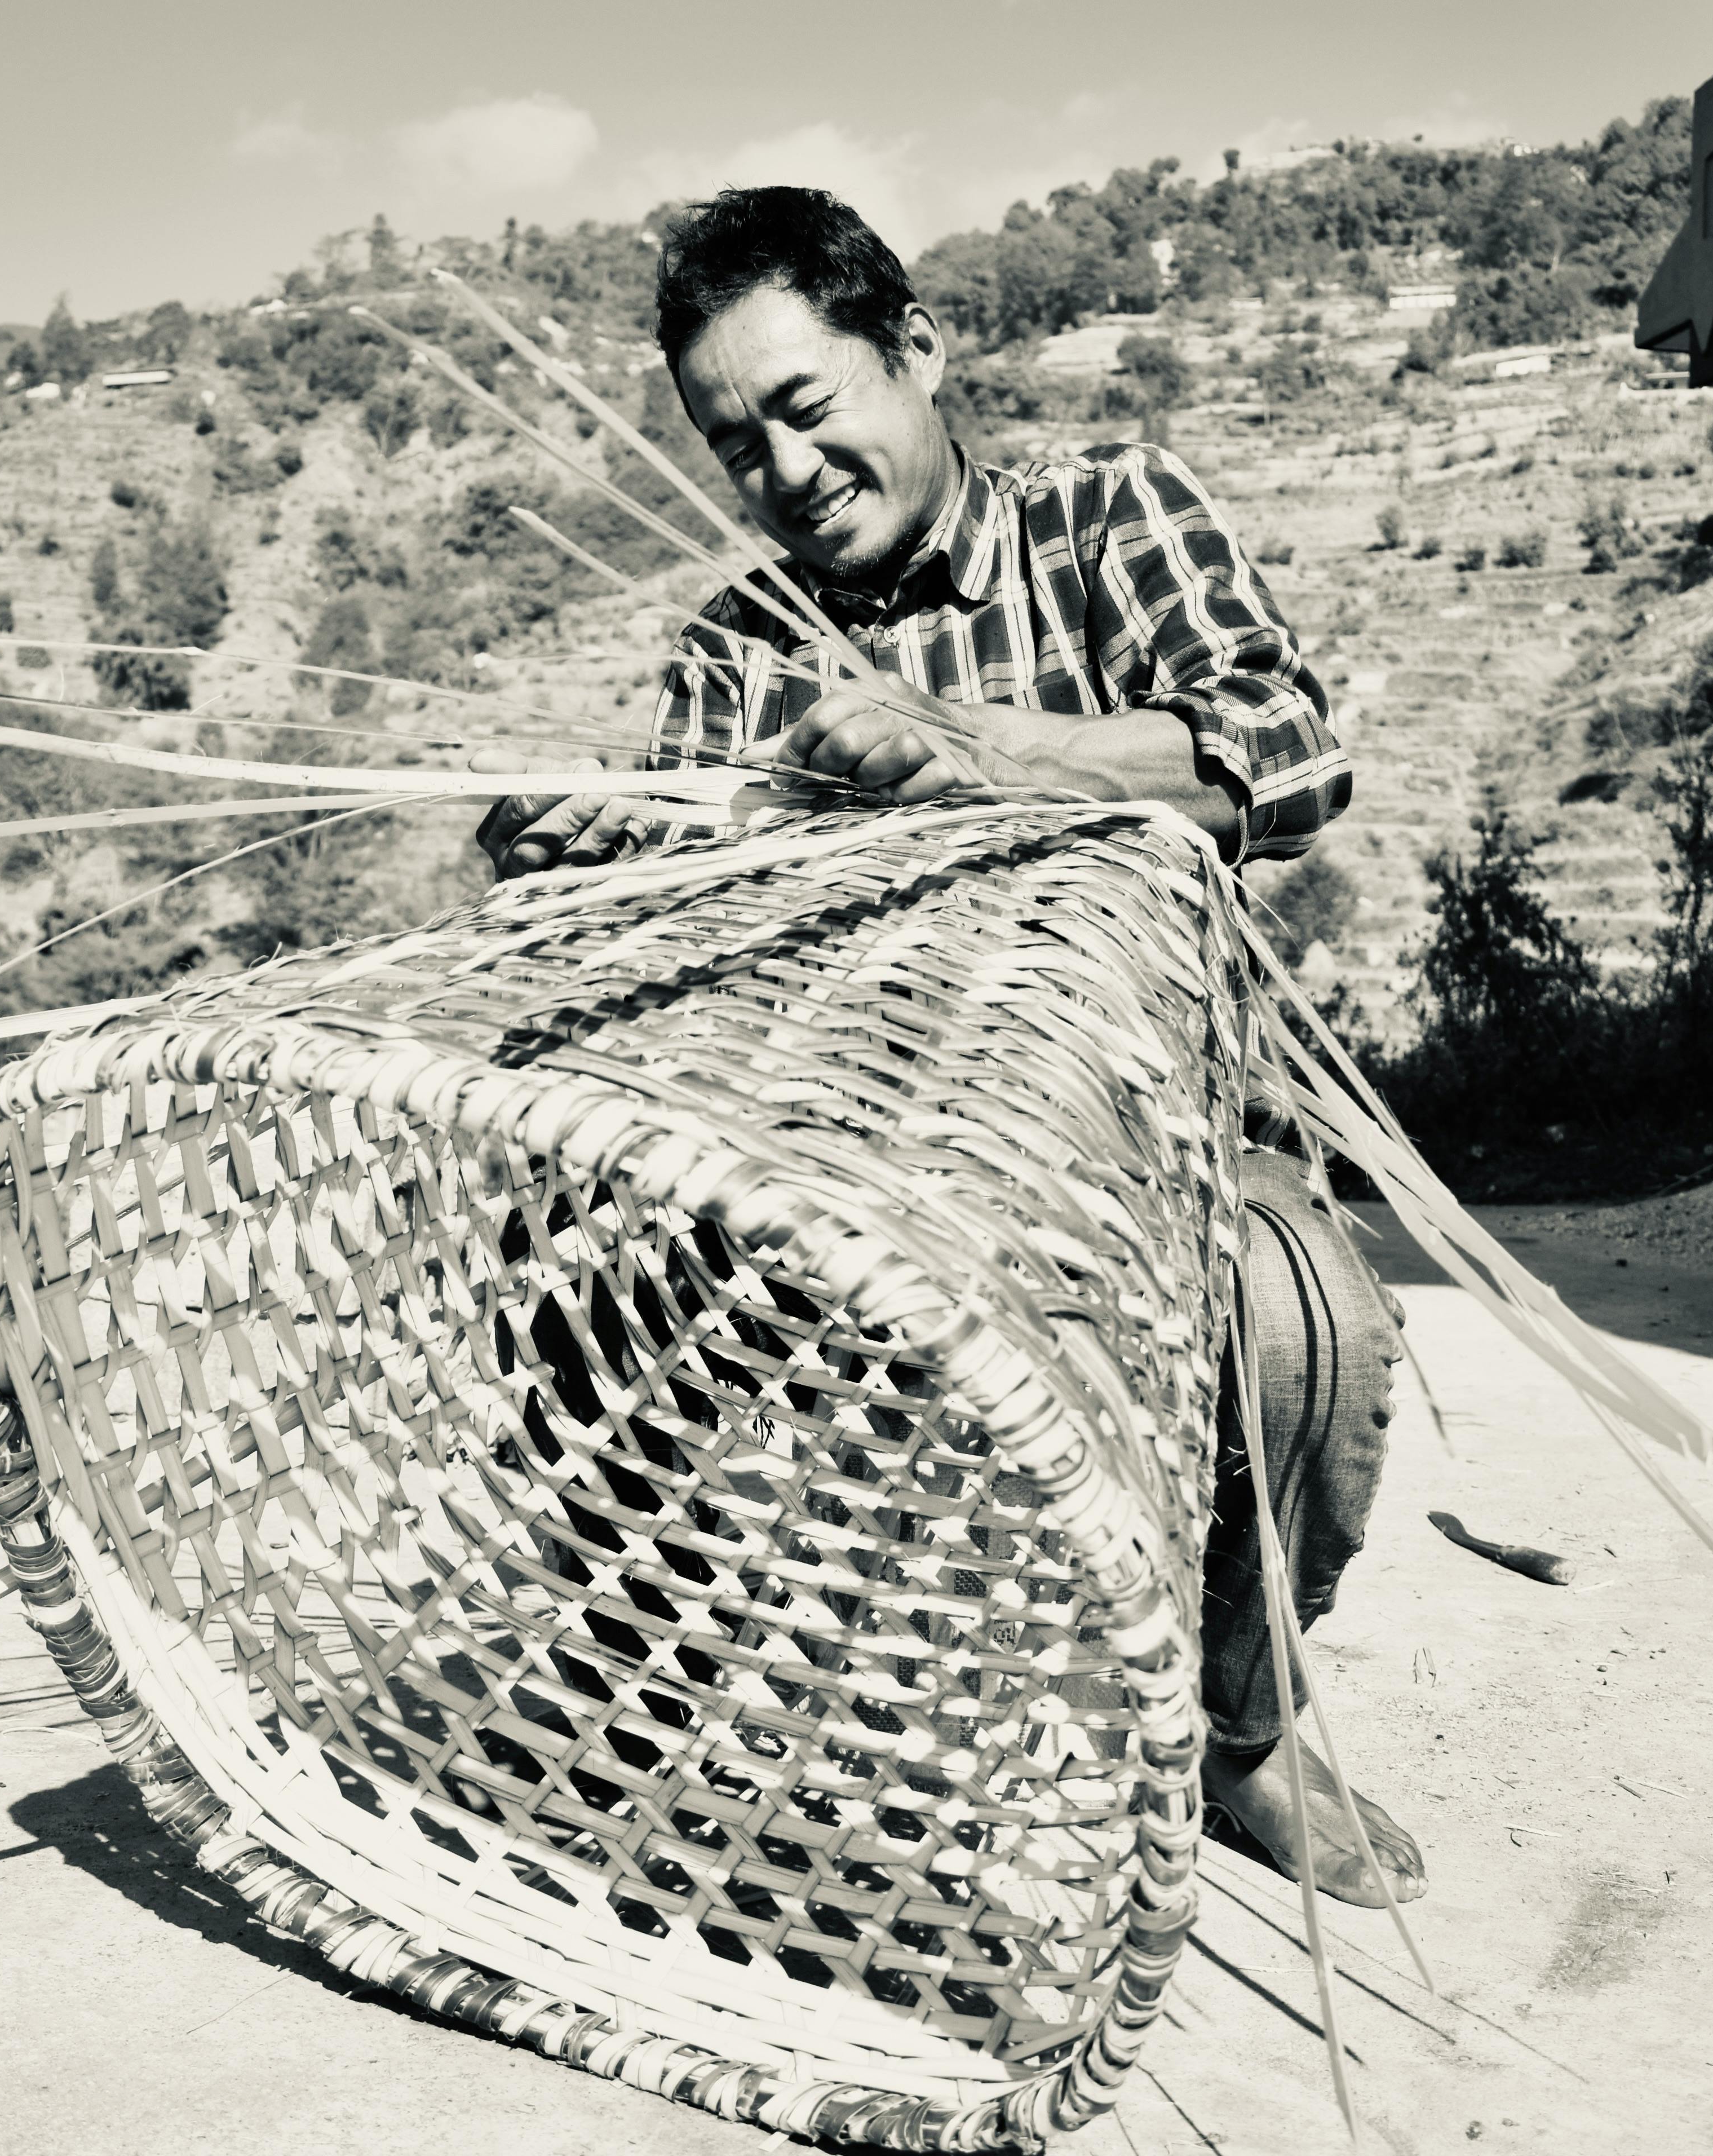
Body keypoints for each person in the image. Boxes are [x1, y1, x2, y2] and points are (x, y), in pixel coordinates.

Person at [482, 185, 1421, 1911]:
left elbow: (1280, 756)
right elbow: (690, 899)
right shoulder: (738, 650)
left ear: (915, 350)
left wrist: (983, 746)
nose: (782, 472)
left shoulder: (1106, 520)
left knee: (1309, 1335)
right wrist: (587, 860)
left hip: (1162, 1123)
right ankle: (658, 1724)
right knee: (562, 1257)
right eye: (732, 444)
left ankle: (1245, 1731)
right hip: (860, 1149)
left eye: (806, 406)